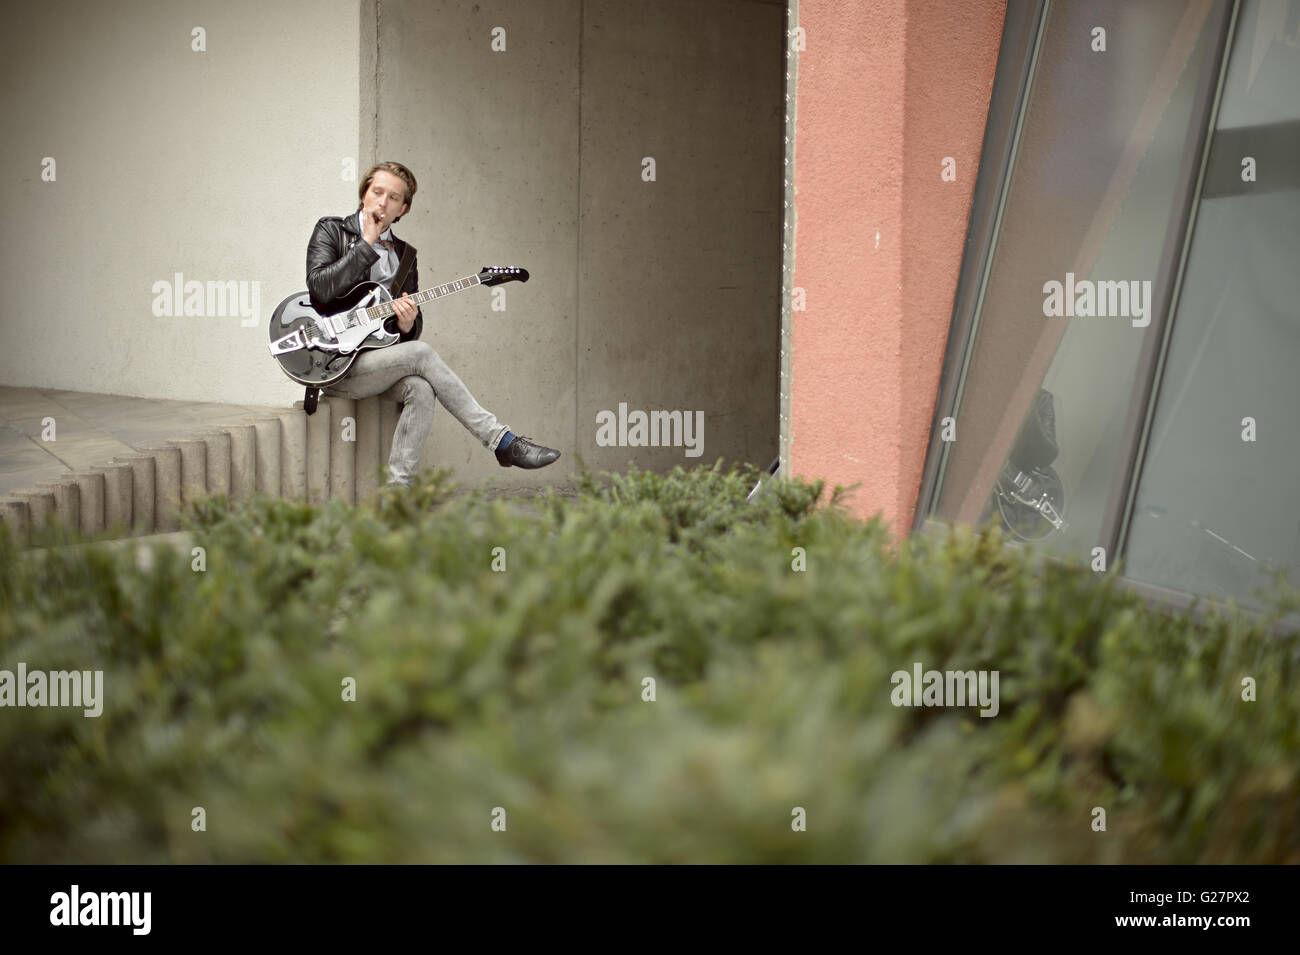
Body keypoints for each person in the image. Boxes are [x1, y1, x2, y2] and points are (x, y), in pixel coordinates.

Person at [306, 161, 560, 486]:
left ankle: (398, 495)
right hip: (329, 363)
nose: (383, 202)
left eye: (393, 198)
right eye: (377, 192)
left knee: (422, 389)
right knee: (422, 354)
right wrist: (366, 245)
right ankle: (502, 442)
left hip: (370, 367)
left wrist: (407, 325)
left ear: (403, 209)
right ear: (364, 195)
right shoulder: (331, 230)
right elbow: (320, 289)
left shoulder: (405, 256)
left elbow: (403, 334)